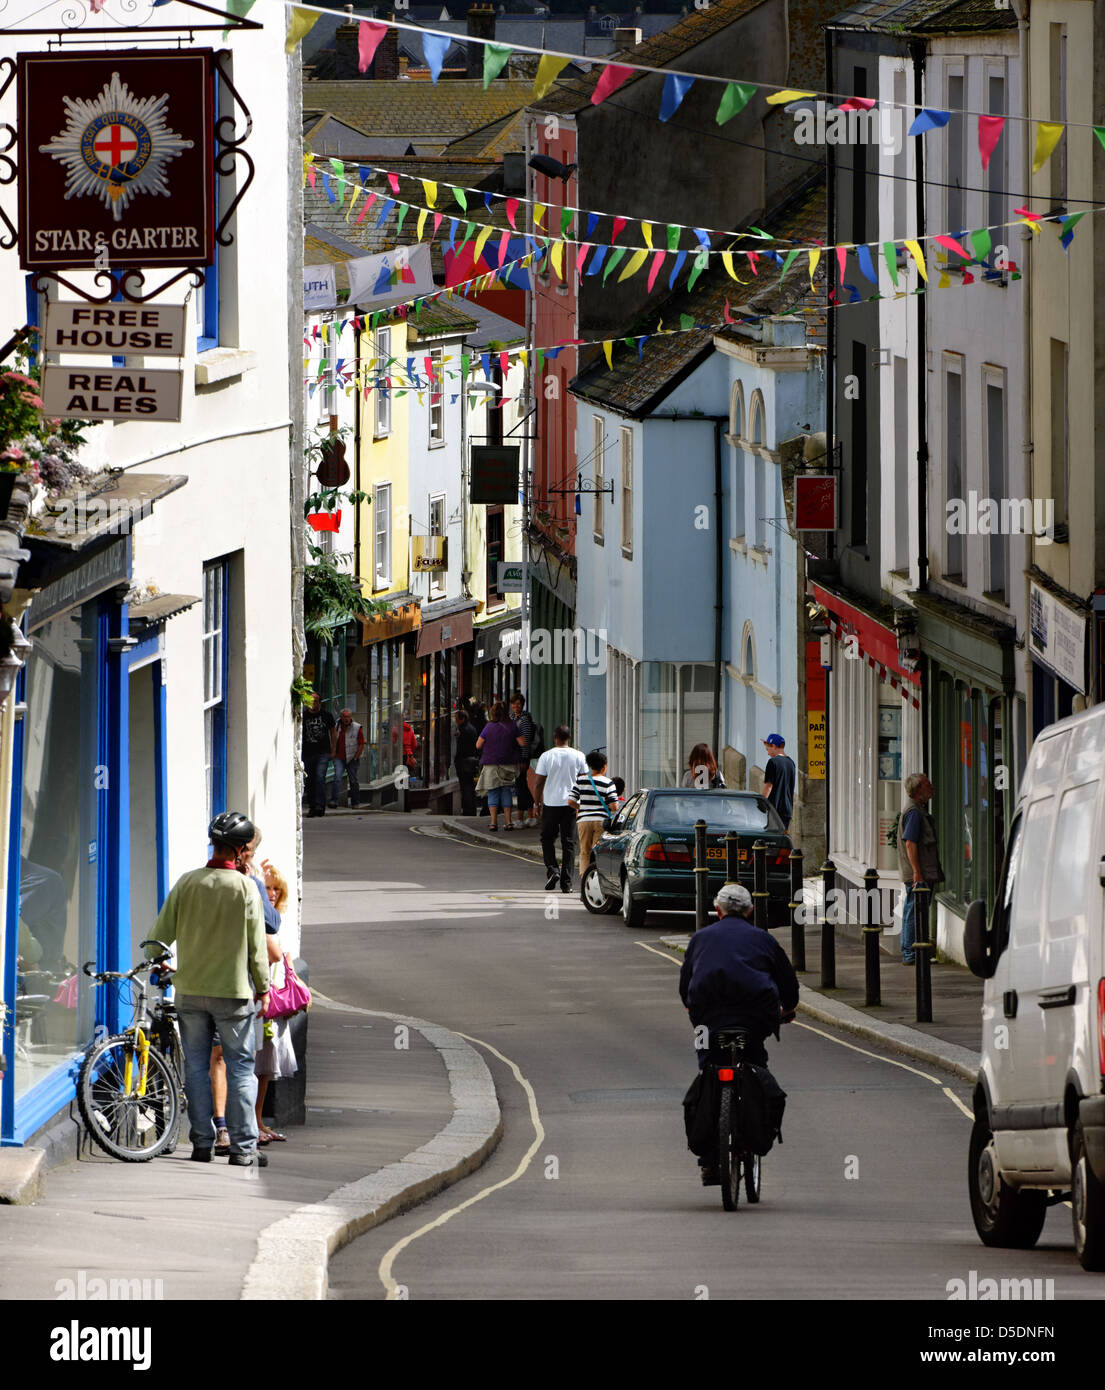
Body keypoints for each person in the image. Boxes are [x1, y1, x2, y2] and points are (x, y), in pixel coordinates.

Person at [152, 812, 271, 1167]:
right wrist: (263, 987)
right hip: (232, 992)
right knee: (239, 1069)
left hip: (189, 990)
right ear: (239, 851)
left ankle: (202, 1144)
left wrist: (159, 960)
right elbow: (256, 946)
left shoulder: (188, 882)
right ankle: (244, 1148)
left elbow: (158, 937)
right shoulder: (245, 888)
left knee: (197, 1069)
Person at [679, 881, 799, 1184]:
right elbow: (789, 986)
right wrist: (786, 1010)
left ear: (717, 910)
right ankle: (754, 1129)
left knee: (708, 1066)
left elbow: (685, 987)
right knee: (755, 1063)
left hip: (706, 1021)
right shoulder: (763, 939)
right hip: (755, 1020)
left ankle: (709, 1160)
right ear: (750, 910)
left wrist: (693, 1010)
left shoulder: (700, 938)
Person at [254, 864, 296, 1146]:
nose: (271, 893)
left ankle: (257, 1120)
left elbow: (287, 960)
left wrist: (296, 989)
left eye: (276, 888)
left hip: (277, 1001)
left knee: (267, 1069)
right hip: (261, 1000)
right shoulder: (261, 921)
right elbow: (272, 957)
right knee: (256, 1067)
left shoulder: (278, 920)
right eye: (267, 887)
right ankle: (252, 1123)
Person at [896, 773, 945, 966]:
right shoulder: (914, 813)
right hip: (918, 874)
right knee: (914, 910)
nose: (931, 787)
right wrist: (917, 872)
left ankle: (917, 951)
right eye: (927, 784)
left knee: (917, 910)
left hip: (920, 872)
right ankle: (910, 953)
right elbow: (911, 843)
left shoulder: (916, 810)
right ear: (918, 791)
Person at [534, 725, 586, 892]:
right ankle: (567, 884)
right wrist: (581, 804)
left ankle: (552, 869)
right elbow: (584, 782)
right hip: (570, 804)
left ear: (555, 737)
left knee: (547, 838)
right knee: (569, 843)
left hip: (550, 803)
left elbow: (538, 782)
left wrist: (537, 803)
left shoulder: (546, 756)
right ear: (569, 737)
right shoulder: (579, 756)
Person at [569, 749, 618, 885]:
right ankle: (596, 882)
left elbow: (571, 801)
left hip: (584, 821)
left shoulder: (581, 780)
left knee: (584, 852)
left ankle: (585, 884)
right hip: (601, 822)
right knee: (597, 853)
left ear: (590, 766)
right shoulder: (608, 783)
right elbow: (614, 806)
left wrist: (583, 808)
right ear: (604, 767)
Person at [475, 702, 525, 831]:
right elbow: (522, 743)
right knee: (506, 791)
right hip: (508, 764)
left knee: (492, 792)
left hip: (491, 764)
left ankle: (493, 822)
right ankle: (508, 822)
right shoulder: (512, 726)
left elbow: (478, 745)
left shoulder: (488, 727)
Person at [301, 693, 335, 818]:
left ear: (320, 702)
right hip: (308, 753)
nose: (313, 703)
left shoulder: (327, 716)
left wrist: (333, 750)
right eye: (311, 701)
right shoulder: (304, 716)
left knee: (320, 777)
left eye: (315, 701)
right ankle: (312, 806)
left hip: (323, 752)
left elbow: (333, 733)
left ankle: (320, 805)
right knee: (309, 780)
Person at [510, 692, 539, 828]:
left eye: (518, 704)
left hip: (522, 757)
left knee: (520, 787)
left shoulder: (524, 720)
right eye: (514, 703)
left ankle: (522, 818)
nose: (516, 706)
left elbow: (525, 741)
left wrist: (523, 759)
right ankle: (530, 815)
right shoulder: (513, 718)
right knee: (522, 786)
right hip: (515, 757)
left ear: (522, 705)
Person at [330, 708, 365, 809]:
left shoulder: (357, 727)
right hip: (339, 757)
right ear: (341, 717)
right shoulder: (336, 726)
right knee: (337, 778)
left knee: (353, 780)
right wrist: (332, 752)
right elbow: (332, 739)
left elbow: (361, 743)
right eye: (344, 716)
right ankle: (334, 801)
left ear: (351, 717)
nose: (346, 719)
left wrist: (356, 757)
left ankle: (355, 802)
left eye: (348, 716)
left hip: (352, 757)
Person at [761, 733, 796, 830]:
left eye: (768, 749)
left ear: (774, 746)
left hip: (774, 809)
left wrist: (761, 803)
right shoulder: (791, 763)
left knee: (771, 841)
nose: (768, 753)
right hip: (787, 810)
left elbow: (769, 786)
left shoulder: (773, 762)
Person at [453, 708, 479, 816]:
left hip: (464, 761)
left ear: (462, 719)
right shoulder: (472, 728)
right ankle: (471, 809)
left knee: (466, 787)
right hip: (471, 760)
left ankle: (468, 810)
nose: (456, 721)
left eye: (457, 719)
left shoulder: (463, 730)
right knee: (470, 787)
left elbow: (460, 748)